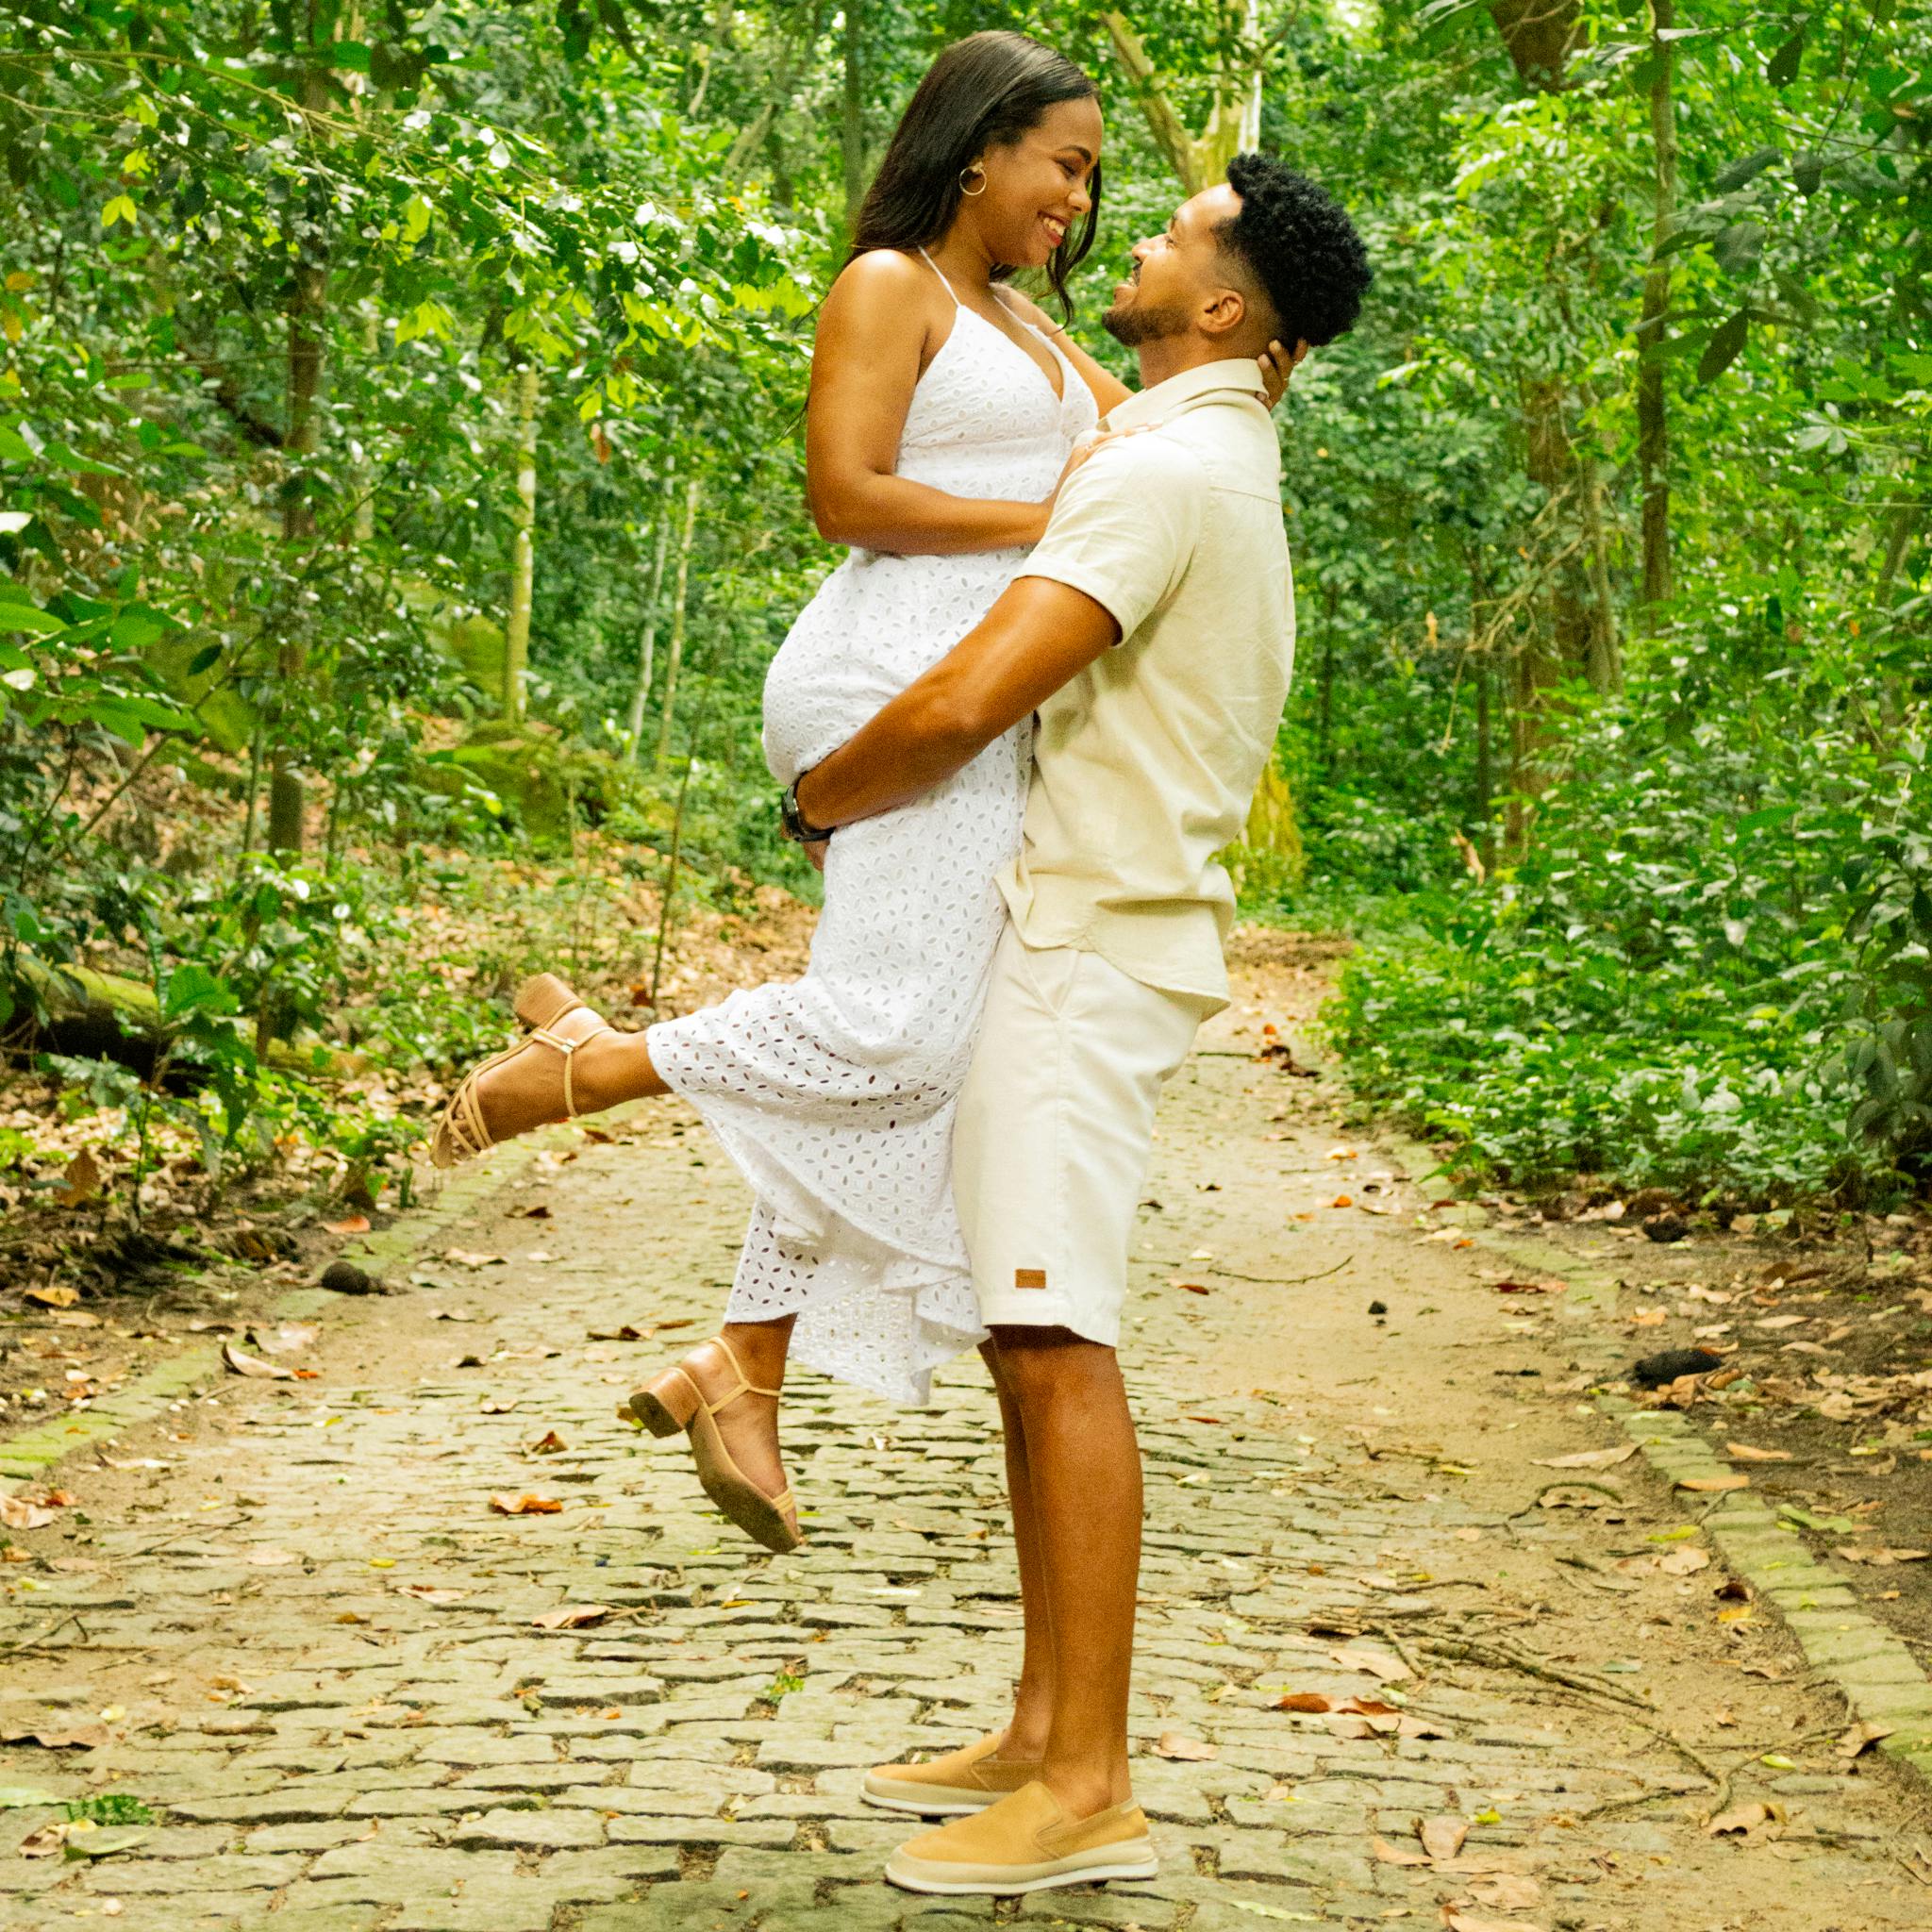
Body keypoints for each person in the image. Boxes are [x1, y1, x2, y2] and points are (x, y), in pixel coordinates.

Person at [429, 32, 1291, 1557]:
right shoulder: (889, 284)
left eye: (1095, 182)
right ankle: (591, 1066)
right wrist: (1058, 520)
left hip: (977, 703)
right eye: (1066, 167)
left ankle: (744, 1362)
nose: (1080, 205)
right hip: (890, 685)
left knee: (944, 1048)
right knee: (903, 1027)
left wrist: (1262, 366)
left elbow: (1152, 430)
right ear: (979, 150)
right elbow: (850, 492)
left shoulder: (1020, 322)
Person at [786, 153, 1373, 1895]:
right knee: (1021, 1336)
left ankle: (1091, 1788)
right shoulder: (1208, 446)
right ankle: (1044, 1726)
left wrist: (827, 796)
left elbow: (978, 695)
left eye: (1183, 225)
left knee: (1053, 1335)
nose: (1140, 224)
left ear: (1219, 308)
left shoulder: (1168, 470)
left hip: (1086, 940)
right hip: (1103, 924)